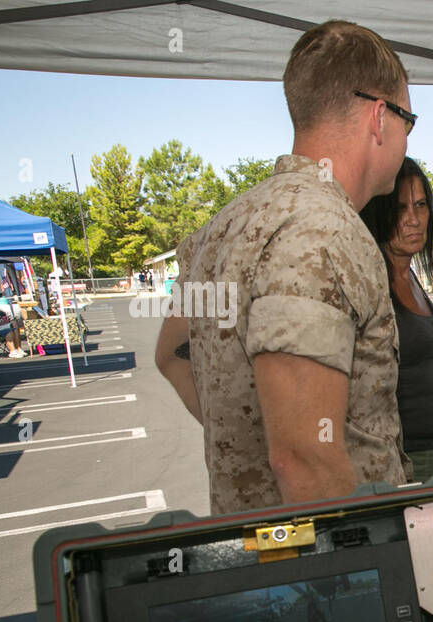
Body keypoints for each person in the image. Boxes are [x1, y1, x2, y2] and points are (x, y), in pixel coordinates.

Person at [155, 19, 414, 515]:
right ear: (379, 118)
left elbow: (171, 356)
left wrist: (243, 440)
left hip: (257, 559)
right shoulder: (323, 230)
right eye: (408, 120)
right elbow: (302, 460)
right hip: (331, 575)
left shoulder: (224, 225)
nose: (405, 138)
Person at [360, 157, 433, 480]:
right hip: (402, 462)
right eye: (401, 208)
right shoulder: (370, 283)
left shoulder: (411, 276)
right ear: (379, 214)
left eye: (421, 205)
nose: (414, 220)